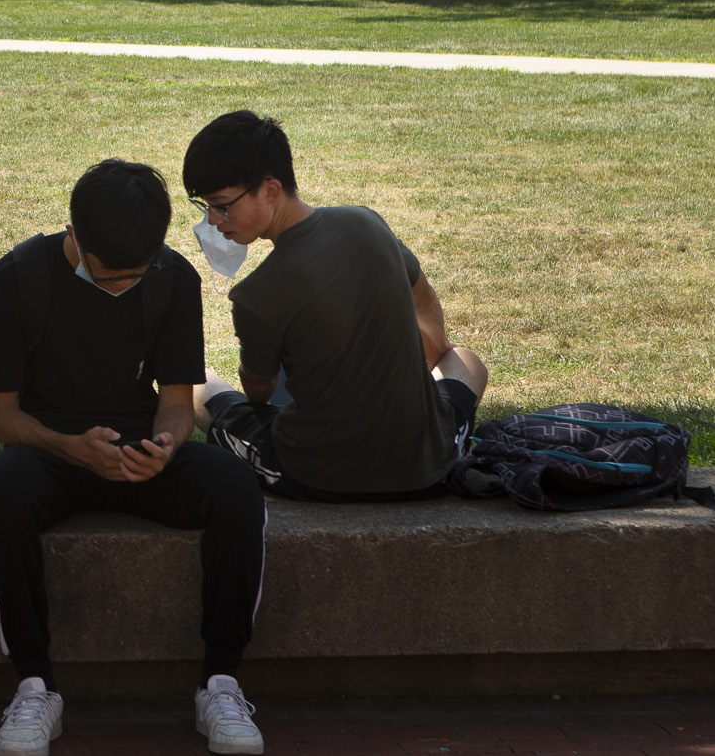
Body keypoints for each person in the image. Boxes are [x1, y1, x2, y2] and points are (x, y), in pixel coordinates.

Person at [0, 159, 266, 756]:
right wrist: (68, 446)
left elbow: (177, 404)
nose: (124, 287)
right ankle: (34, 687)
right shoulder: (16, 279)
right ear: (73, 235)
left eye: (137, 274)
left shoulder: (172, 278)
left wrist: (166, 447)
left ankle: (221, 684)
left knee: (236, 487)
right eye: (109, 278)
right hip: (49, 450)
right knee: (3, 491)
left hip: (138, 449)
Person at [182, 111, 489, 504]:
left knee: (199, 382)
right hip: (430, 466)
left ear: (270, 190)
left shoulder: (255, 295)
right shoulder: (367, 223)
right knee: (464, 359)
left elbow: (258, 394)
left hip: (316, 475)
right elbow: (423, 297)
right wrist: (430, 355)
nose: (213, 220)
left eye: (223, 206)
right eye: (206, 206)